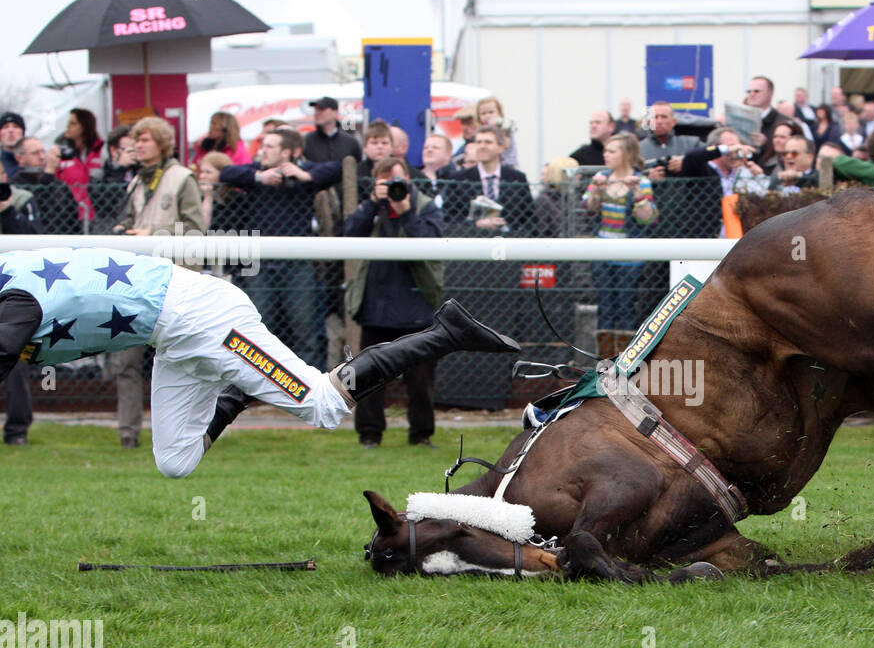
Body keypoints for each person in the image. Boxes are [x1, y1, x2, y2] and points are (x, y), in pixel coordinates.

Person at [0, 247, 520, 478]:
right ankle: (240, 389)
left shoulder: (13, 296)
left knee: (321, 405)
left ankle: (444, 332)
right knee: (175, 463)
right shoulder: (11, 278)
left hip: (203, 319)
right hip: (175, 337)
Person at [108, 116, 206, 449]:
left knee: (182, 361)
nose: (138, 144)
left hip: (173, 283)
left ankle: (185, 434)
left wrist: (154, 235)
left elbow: (197, 234)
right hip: (136, 281)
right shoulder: (135, 181)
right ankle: (128, 432)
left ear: (162, 142)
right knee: (125, 360)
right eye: (136, 139)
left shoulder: (182, 178)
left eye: (145, 139)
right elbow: (129, 222)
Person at [342, 156, 446, 449]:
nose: (394, 187)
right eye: (387, 182)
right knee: (369, 376)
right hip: (377, 304)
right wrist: (374, 202)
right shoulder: (373, 207)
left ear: (409, 179)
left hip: (415, 304)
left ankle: (421, 434)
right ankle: (370, 433)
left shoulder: (424, 205)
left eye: (398, 181)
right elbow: (349, 233)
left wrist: (405, 213)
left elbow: (430, 243)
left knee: (421, 378)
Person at [219, 128, 342, 369]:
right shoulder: (255, 175)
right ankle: (255, 391)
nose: (262, 151)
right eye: (262, 145)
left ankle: (309, 389)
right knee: (258, 329)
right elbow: (226, 172)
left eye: (269, 146)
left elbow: (340, 168)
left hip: (298, 265)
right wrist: (259, 178)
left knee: (304, 330)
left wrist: (305, 176)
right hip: (260, 265)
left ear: (286, 153)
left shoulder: (303, 177)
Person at [583, 133, 658, 330]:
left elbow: (648, 217)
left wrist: (636, 192)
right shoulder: (600, 178)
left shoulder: (641, 181)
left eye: (611, 151)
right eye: (605, 151)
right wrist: (597, 191)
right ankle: (605, 356)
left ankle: (625, 356)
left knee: (626, 307)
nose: (605, 155)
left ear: (626, 154)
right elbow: (589, 208)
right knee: (605, 307)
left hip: (629, 253)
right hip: (602, 251)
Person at [0, 178, 40, 447]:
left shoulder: (22, 199)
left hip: (13, 288)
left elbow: (33, 240)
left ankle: (16, 429)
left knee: (12, 358)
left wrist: (6, 210)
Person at [444, 125, 535, 235]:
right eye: (478, 142)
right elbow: (450, 219)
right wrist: (477, 224)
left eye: (488, 142)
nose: (482, 146)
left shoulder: (517, 178)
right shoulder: (459, 179)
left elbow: (529, 218)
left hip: (509, 243)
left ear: (501, 148)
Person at [9, 137, 81, 235]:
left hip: (63, 241)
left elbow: (74, 216)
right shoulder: (15, 186)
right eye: (35, 153)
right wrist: (48, 173)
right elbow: (40, 206)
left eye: (43, 152)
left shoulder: (58, 184)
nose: (42, 157)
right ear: (20, 158)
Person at [49, 108, 104, 226]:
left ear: (85, 126)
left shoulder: (100, 150)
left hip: (96, 214)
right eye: (68, 123)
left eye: (73, 123)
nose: (68, 127)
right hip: (67, 215)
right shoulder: (61, 152)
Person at [639, 102, 701, 176]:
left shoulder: (692, 144)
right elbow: (629, 175)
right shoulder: (638, 149)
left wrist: (687, 164)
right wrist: (647, 176)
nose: (659, 121)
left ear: (673, 122)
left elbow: (711, 165)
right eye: (655, 117)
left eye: (664, 117)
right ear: (649, 123)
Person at [302, 96, 362, 165]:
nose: (317, 113)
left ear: (335, 112)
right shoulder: (307, 141)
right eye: (316, 109)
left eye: (322, 109)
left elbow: (358, 168)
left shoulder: (350, 142)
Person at [534, 156, 578, 238]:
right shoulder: (544, 200)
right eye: (575, 173)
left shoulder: (572, 197)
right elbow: (541, 231)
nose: (579, 176)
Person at [475, 96, 518, 168]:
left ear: (499, 113)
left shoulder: (504, 126)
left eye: (491, 112)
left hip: (507, 164)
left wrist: (498, 125)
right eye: (483, 113)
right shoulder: (480, 131)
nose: (487, 116)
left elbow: (506, 144)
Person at [197, 151, 234, 232]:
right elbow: (202, 228)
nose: (202, 176)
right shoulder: (198, 198)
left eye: (208, 172)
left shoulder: (236, 199)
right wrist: (208, 198)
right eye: (201, 172)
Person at [1, 112, 26, 181]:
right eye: (6, 127)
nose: (11, 130)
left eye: (15, 126)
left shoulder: (37, 159)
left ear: (23, 132)